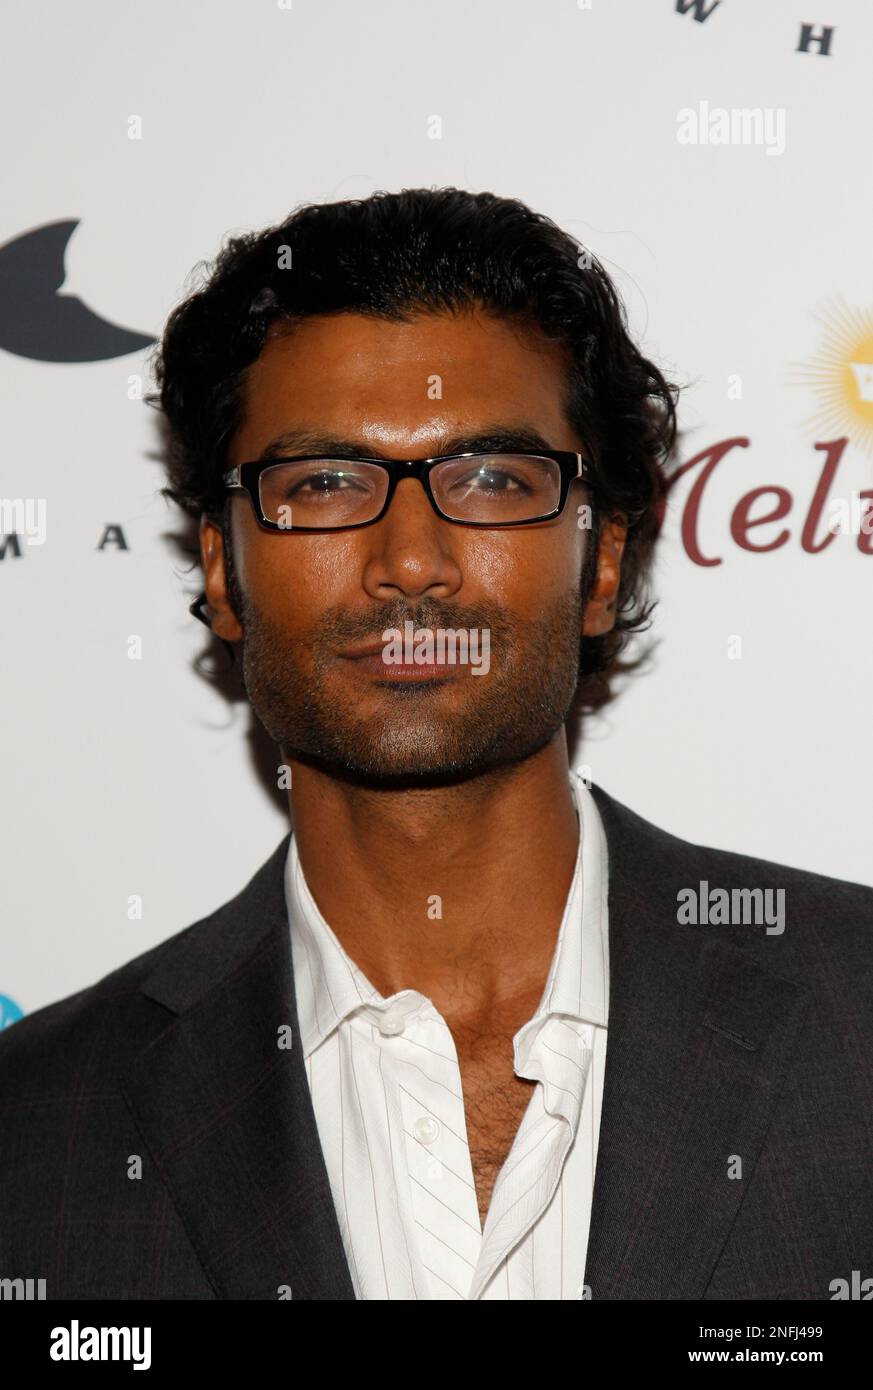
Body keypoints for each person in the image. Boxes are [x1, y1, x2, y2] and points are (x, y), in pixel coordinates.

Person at [1, 189, 871, 1301]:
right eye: (323, 483)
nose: (411, 560)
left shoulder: (858, 1020)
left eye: (491, 480)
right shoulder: (35, 1133)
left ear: (601, 564)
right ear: (221, 569)